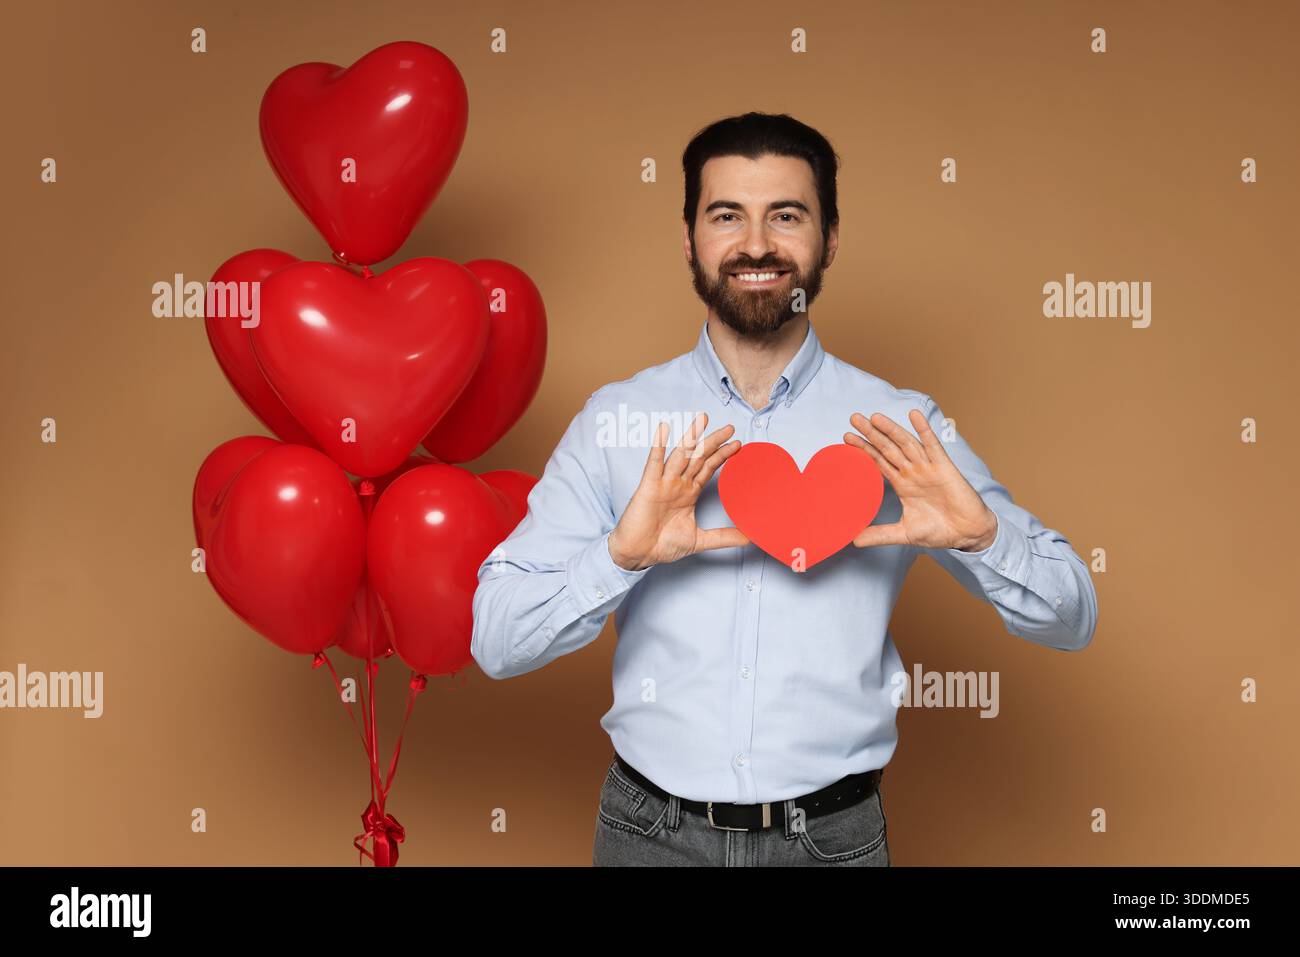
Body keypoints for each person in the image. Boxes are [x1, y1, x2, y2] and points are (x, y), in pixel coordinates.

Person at [470, 112, 1098, 866]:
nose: (757, 245)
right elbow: (496, 641)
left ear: (829, 239)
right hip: (649, 837)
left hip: (833, 841)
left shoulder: (904, 429)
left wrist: (984, 539)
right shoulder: (620, 420)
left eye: (787, 216)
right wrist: (619, 559)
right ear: (690, 238)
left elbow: (1074, 617)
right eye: (727, 214)